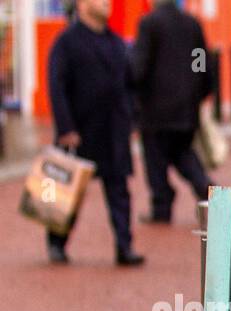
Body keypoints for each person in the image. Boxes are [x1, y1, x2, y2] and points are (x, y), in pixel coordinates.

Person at [45, 0, 143, 265]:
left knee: (119, 190)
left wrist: (132, 119)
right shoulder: (66, 42)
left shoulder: (117, 42)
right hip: (80, 131)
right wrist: (65, 127)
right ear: (82, 4)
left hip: (114, 131)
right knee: (68, 190)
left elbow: (130, 84)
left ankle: (124, 246)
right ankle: (56, 242)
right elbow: (56, 85)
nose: (107, 3)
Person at [131, 0, 214, 225]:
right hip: (187, 108)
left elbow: (139, 68)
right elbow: (201, 61)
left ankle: (162, 206)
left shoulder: (149, 24)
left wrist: (135, 96)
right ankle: (205, 187)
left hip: (155, 109)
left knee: (155, 160)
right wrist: (198, 91)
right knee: (183, 153)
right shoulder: (192, 24)